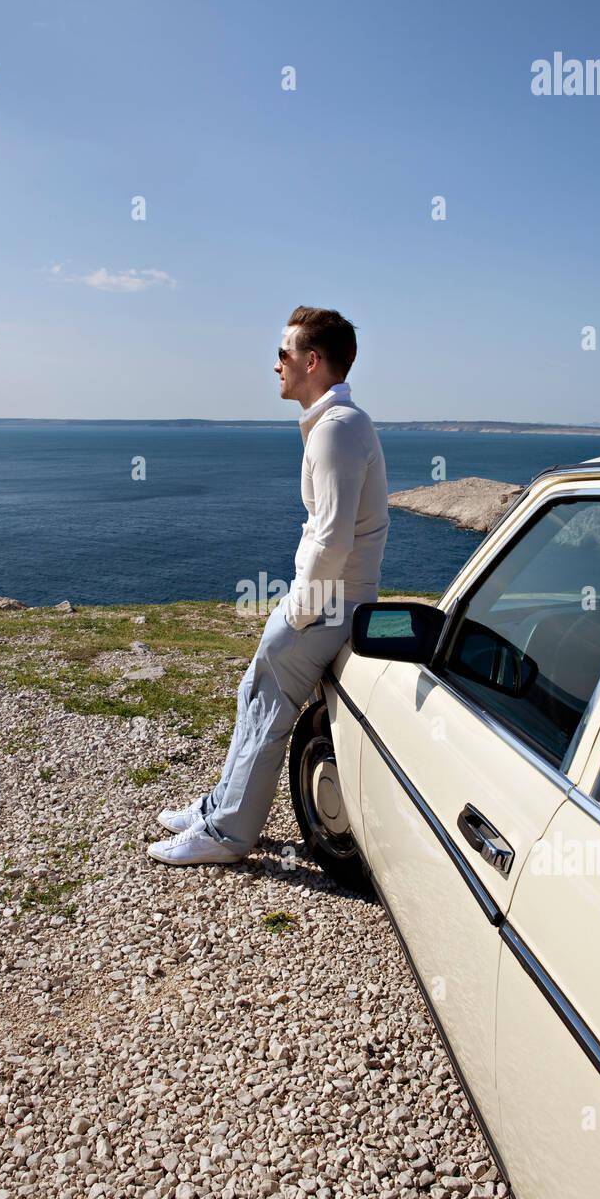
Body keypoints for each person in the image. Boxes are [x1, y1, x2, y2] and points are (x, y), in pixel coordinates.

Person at [147, 305, 390, 866]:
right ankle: (219, 809)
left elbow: (331, 539)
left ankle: (228, 833)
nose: (274, 365)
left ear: (311, 360)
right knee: (255, 695)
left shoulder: (337, 429)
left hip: (326, 603)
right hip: (331, 598)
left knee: (268, 705)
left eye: (283, 354)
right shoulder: (338, 425)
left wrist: (299, 612)